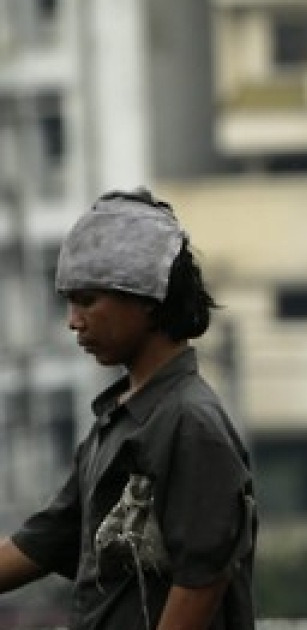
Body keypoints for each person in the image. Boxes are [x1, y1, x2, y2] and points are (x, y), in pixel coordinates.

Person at [0, 189, 257, 630]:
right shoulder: (115, 422)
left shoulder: (189, 422)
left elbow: (201, 582)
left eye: (88, 300)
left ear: (147, 298)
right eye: (69, 301)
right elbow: (42, 543)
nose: (73, 321)